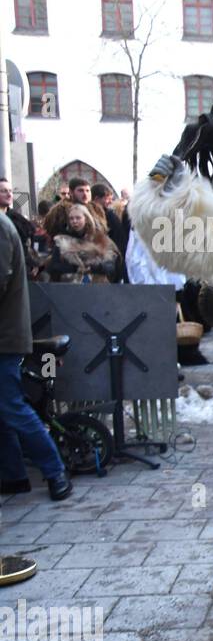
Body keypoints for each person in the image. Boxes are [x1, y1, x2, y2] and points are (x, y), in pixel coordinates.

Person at [0, 213, 72, 500]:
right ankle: (14, 476)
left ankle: (55, 471)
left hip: (5, 337)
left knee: (12, 407)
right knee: (5, 410)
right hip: (5, 334)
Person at [46, 203, 119, 283]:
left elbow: (111, 266)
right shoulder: (62, 241)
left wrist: (94, 267)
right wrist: (76, 268)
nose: (74, 221)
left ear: (86, 219)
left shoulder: (100, 239)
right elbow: (54, 266)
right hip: (71, 285)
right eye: (71, 218)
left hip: (96, 285)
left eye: (78, 218)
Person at [91, 183, 131, 276]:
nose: (110, 202)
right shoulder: (104, 216)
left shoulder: (109, 214)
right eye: (108, 199)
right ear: (97, 199)